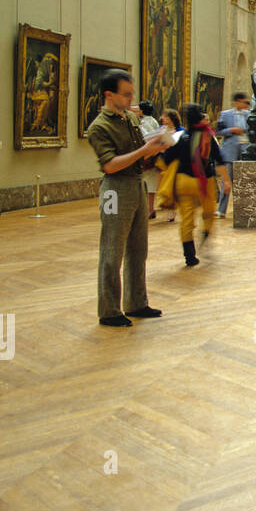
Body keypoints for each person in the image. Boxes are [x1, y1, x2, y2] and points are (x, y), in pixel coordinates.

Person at [86, 68, 170, 327]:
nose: (131, 99)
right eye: (126, 94)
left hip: (136, 184)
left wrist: (157, 146)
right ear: (109, 95)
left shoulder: (130, 119)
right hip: (115, 189)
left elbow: (137, 153)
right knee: (112, 250)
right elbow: (110, 165)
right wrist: (145, 149)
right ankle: (109, 310)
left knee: (138, 248)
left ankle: (136, 302)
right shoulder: (99, 127)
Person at [160, 103, 225, 266]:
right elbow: (219, 157)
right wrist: (227, 180)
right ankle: (205, 235)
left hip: (184, 181)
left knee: (187, 219)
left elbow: (165, 160)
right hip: (206, 181)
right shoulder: (208, 136)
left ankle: (189, 256)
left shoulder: (180, 138)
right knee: (209, 212)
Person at [215, 92, 251, 218]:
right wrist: (232, 130)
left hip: (245, 149)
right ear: (237, 102)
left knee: (245, 180)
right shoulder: (225, 115)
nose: (244, 104)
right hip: (230, 150)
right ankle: (221, 210)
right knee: (226, 180)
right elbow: (219, 131)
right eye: (242, 101)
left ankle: (245, 208)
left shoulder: (248, 114)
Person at [138, 101, 161, 218]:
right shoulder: (154, 121)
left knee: (144, 184)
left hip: (146, 155)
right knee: (151, 185)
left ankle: (148, 209)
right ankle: (151, 209)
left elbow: (145, 138)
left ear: (141, 111)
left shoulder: (142, 123)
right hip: (154, 155)